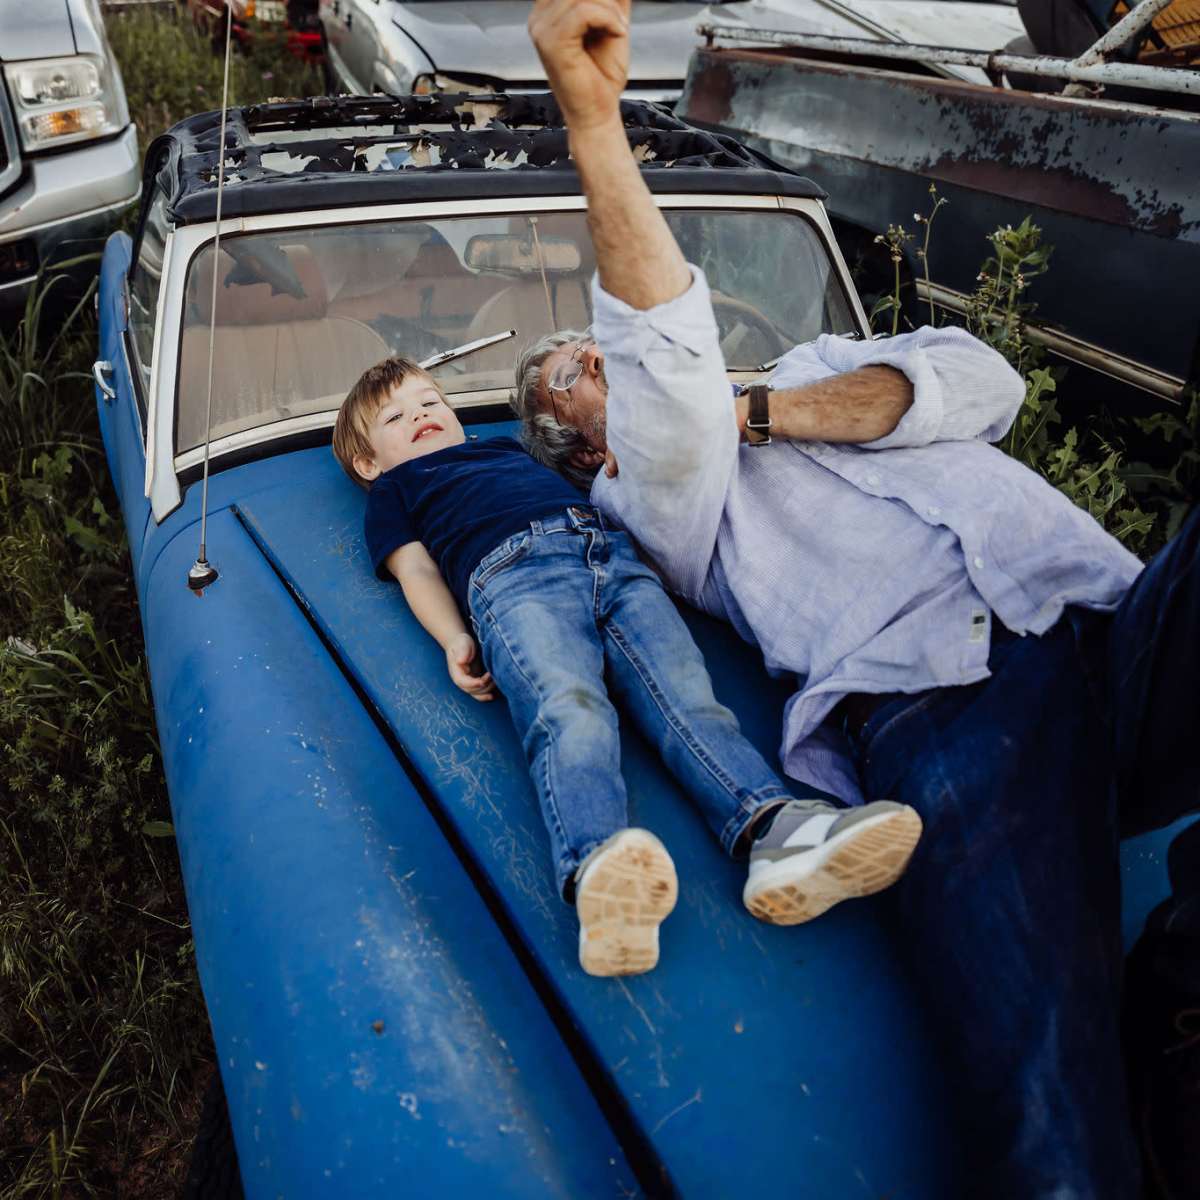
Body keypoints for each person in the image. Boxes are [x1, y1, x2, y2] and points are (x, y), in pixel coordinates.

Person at [522, 0, 1200, 1195]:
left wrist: (775, 408)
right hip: (947, 708)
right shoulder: (658, 496)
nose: (595, 359)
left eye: (590, 350)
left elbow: (979, 382)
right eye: (580, 372)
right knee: (1044, 1110)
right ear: (585, 448)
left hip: (1107, 616)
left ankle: (1186, 975)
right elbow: (666, 361)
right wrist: (593, 117)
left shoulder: (808, 367)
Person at [330, 355, 924, 977]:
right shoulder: (398, 490)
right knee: (566, 706)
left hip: (613, 558)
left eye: (429, 401)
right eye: (396, 416)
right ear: (369, 463)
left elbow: (606, 473)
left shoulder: (507, 452)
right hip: (510, 576)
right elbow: (415, 568)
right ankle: (599, 868)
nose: (421, 415)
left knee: (689, 698)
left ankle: (775, 832)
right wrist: (453, 637)